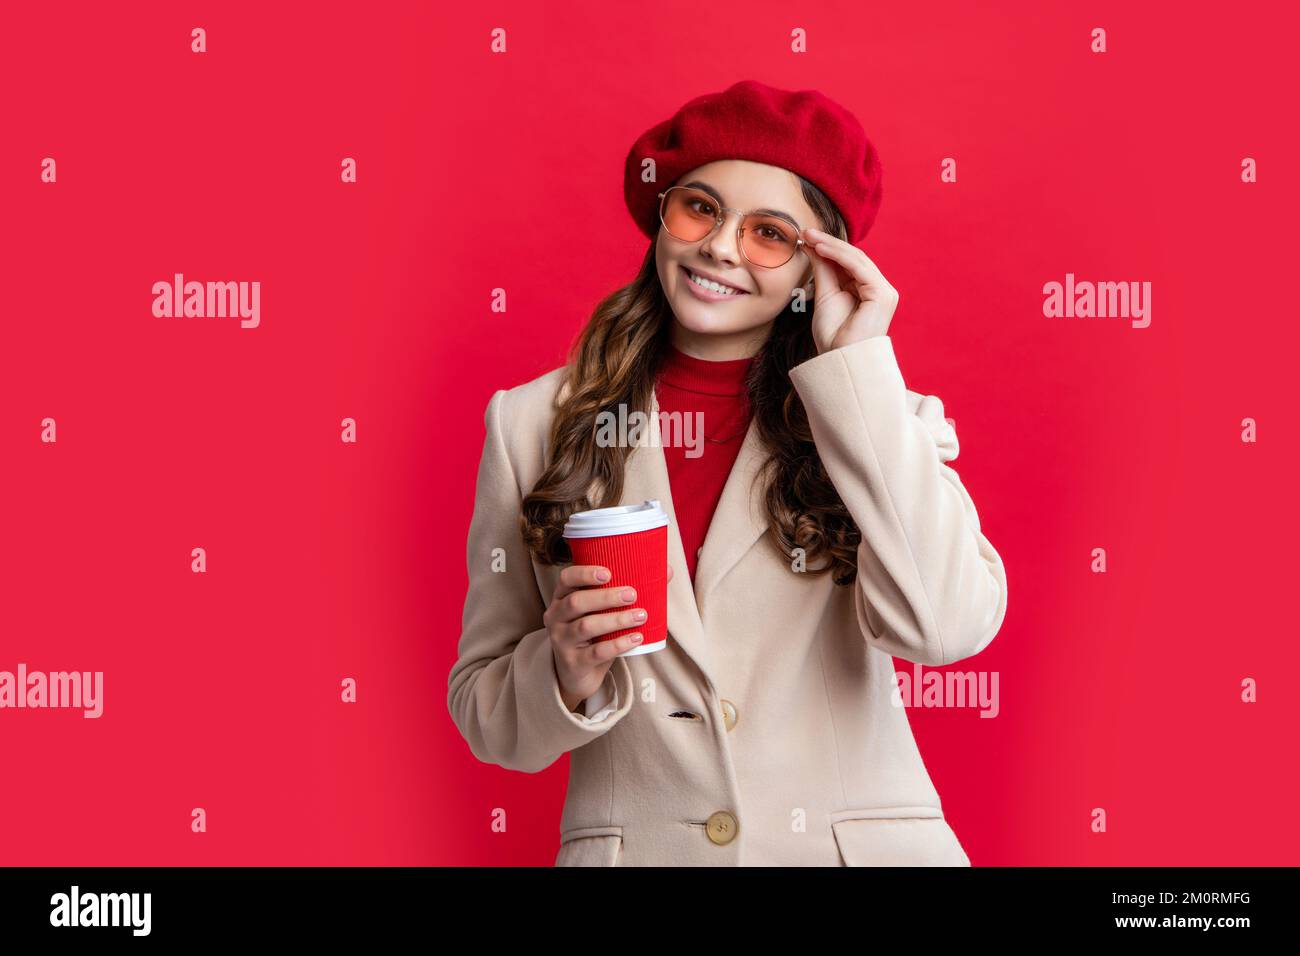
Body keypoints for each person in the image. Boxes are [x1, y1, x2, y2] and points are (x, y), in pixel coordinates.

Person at [446, 79, 1008, 866]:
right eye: (700, 208)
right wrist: (563, 665)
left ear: (820, 268)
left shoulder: (885, 416)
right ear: (662, 218)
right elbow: (484, 713)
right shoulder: (531, 424)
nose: (720, 247)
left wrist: (856, 368)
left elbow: (946, 630)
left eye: (770, 233)